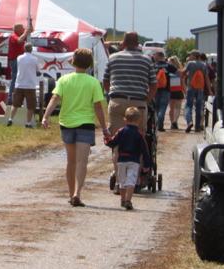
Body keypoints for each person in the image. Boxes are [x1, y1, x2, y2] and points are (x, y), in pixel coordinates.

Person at [41, 47, 108, 207]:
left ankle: (71, 194)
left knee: (71, 161)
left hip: (67, 123)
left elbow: (55, 98)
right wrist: (104, 127)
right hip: (85, 124)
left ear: (73, 62)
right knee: (82, 161)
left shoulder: (64, 80)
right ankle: (78, 193)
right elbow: (98, 106)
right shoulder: (93, 82)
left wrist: (46, 116)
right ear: (90, 64)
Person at [104, 31, 156, 133]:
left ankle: (117, 149)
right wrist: (147, 100)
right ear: (137, 44)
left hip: (117, 101)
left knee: (116, 135)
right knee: (138, 136)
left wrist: (112, 95)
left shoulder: (113, 58)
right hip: (139, 101)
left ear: (123, 43)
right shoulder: (147, 60)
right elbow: (154, 84)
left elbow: (105, 80)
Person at [105, 106, 150, 211]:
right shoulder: (139, 134)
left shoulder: (121, 131)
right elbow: (144, 150)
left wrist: (106, 139)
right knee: (131, 181)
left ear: (125, 119)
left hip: (121, 160)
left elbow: (113, 142)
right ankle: (128, 201)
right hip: (134, 161)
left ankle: (122, 199)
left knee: (122, 181)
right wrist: (147, 164)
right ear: (139, 121)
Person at [8, 42, 41, 127]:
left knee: (15, 104)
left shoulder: (19, 58)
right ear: (31, 49)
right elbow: (38, 71)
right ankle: (28, 123)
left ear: (24, 49)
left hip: (19, 84)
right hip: (30, 85)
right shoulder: (35, 59)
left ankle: (10, 119)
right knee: (30, 106)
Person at [5, 21, 32, 109]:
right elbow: (20, 41)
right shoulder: (13, 36)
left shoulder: (19, 35)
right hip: (15, 60)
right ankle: (10, 98)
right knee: (15, 78)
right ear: (17, 29)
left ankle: (15, 98)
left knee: (18, 78)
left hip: (18, 60)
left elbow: (30, 31)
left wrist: (30, 24)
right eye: (22, 28)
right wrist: (26, 32)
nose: (24, 29)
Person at [183, 51, 208, 132]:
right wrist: (210, 90)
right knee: (198, 107)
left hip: (191, 87)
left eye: (191, 55)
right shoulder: (203, 64)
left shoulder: (190, 63)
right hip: (200, 88)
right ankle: (197, 127)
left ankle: (189, 122)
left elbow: (183, 73)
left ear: (194, 56)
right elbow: (206, 78)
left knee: (188, 106)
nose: (190, 56)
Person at [151, 50, 171, 130]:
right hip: (166, 89)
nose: (153, 57)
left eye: (154, 55)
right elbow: (179, 73)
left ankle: (155, 125)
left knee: (156, 107)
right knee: (163, 107)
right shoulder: (168, 66)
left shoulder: (153, 66)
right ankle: (160, 126)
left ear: (159, 56)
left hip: (155, 89)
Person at [167, 55, 184, 129]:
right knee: (177, 107)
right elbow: (182, 81)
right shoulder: (180, 70)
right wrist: (185, 90)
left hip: (170, 89)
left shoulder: (167, 69)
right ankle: (175, 121)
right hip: (178, 89)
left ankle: (172, 122)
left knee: (171, 108)